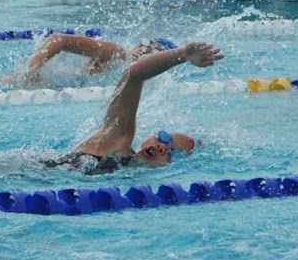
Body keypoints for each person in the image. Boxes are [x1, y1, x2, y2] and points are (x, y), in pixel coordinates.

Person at [45, 41, 223, 176]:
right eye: (164, 138)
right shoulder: (118, 141)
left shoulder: (126, 170)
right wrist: (182, 54)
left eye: (170, 154)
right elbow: (134, 74)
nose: (162, 147)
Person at [11, 34, 173, 84]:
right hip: (37, 83)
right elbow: (59, 39)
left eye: (151, 51)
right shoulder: (116, 54)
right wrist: (33, 69)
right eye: (144, 44)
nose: (142, 50)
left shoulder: (140, 84)